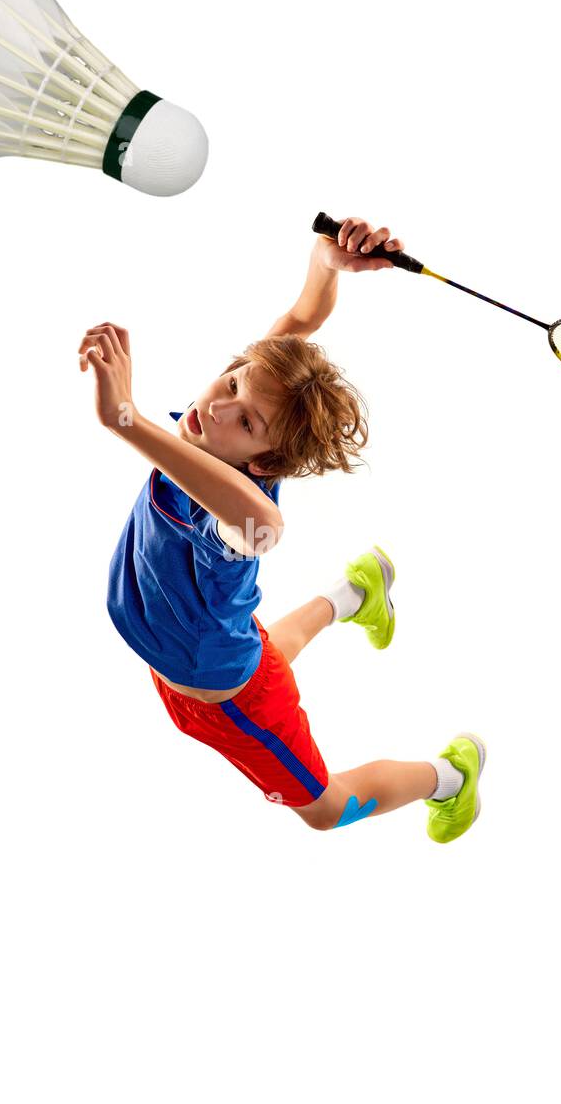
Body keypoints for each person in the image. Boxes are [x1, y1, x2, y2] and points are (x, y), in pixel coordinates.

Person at [80, 216, 485, 838]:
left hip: (233, 704)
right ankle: (356, 592)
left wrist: (127, 421)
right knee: (261, 649)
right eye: (232, 381)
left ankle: (450, 776)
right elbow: (300, 318)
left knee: (327, 810)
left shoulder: (237, 524)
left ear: (264, 462)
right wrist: (327, 261)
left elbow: (263, 524)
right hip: (195, 662)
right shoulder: (215, 425)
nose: (218, 406)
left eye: (246, 421)